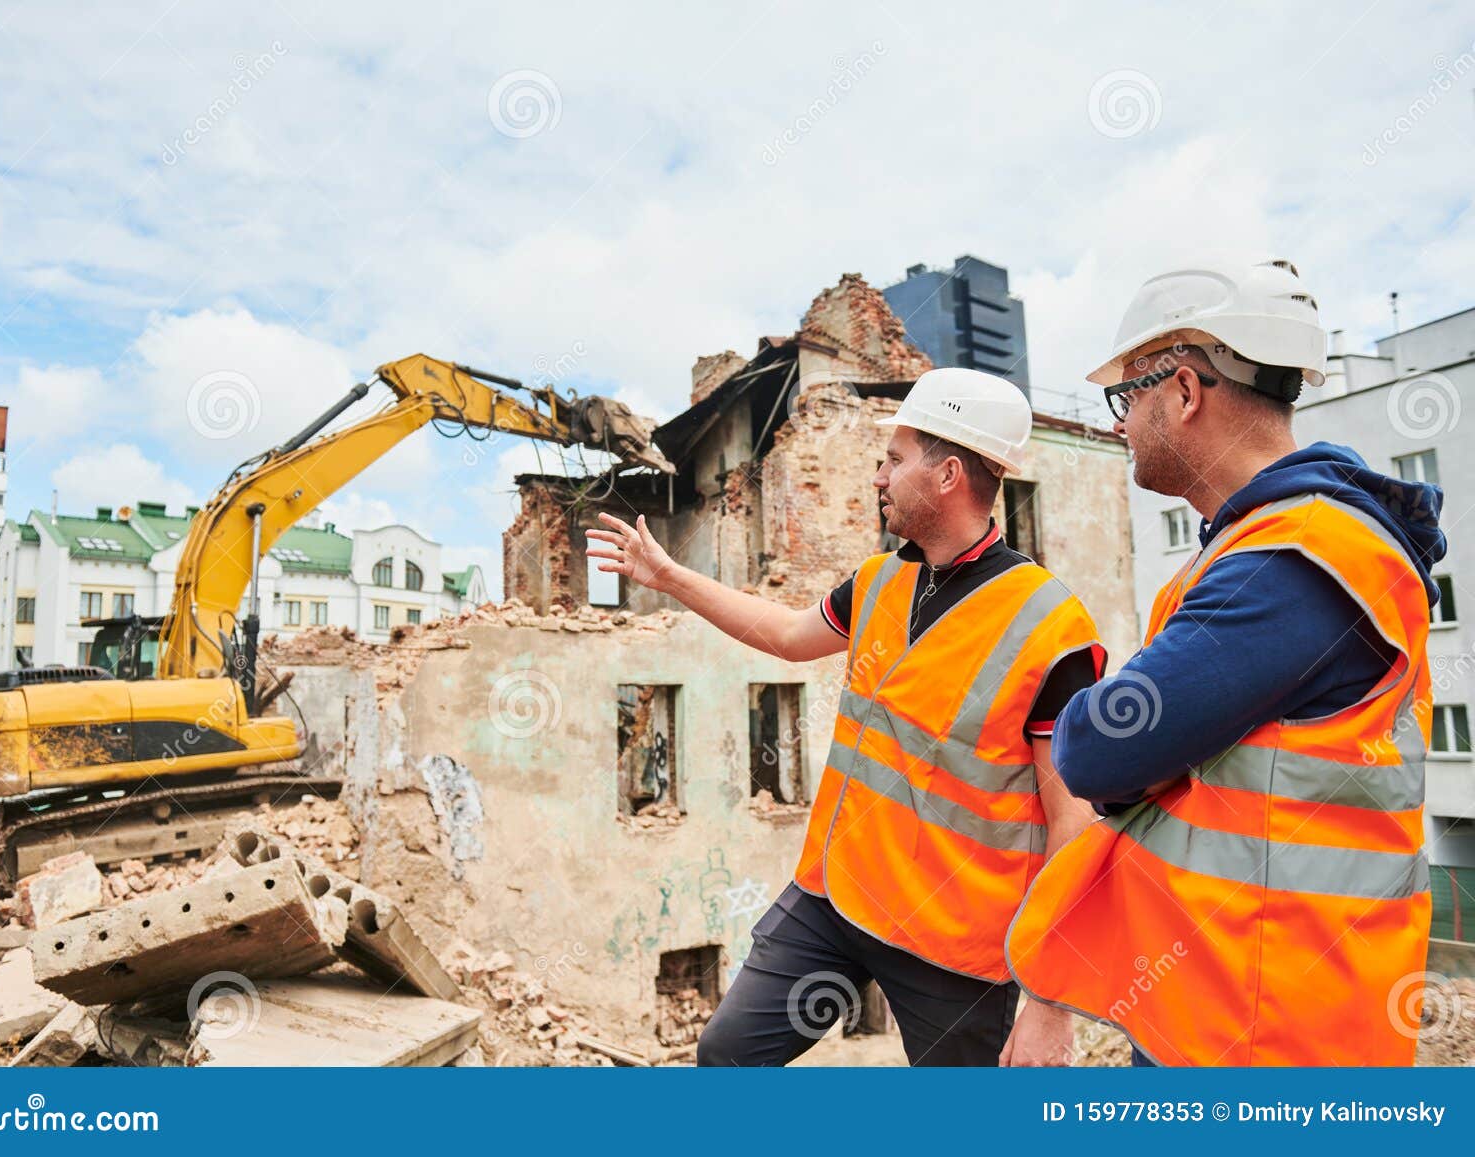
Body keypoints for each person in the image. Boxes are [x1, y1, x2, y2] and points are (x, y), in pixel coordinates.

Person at [587, 367, 1107, 1066]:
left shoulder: (1051, 625)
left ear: (948, 472)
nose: (878, 476)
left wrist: (1051, 996)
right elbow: (786, 635)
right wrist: (669, 576)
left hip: (953, 944)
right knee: (727, 1056)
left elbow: (1075, 823)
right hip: (837, 897)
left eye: (893, 459)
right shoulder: (879, 581)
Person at [1006, 257, 1446, 1066]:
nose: (1117, 425)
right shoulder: (1263, 549)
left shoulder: (1294, 560)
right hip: (1244, 999)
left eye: (1125, 399)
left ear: (1182, 392)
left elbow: (1095, 746)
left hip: (1272, 1030)